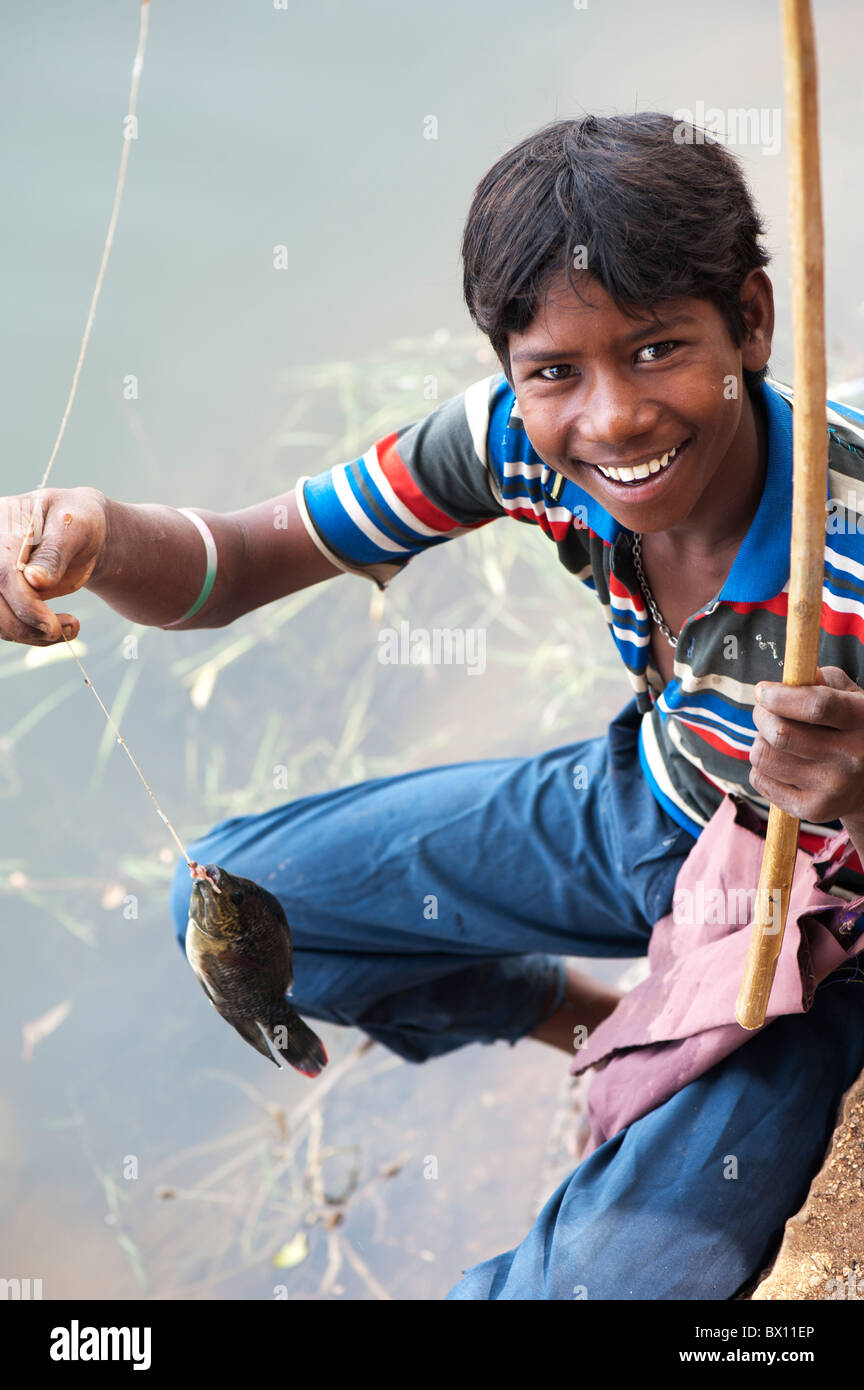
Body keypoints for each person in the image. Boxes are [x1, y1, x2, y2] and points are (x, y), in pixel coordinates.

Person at [3, 112, 864, 1299]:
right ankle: (595, 1019)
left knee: (605, 1283)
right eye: (557, 370)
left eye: (660, 348)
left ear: (753, 322)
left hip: (817, 930)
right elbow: (248, 557)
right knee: (243, 912)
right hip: (660, 803)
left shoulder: (852, 532)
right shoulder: (513, 439)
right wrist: (97, 538)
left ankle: (717, 1051)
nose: (610, 417)